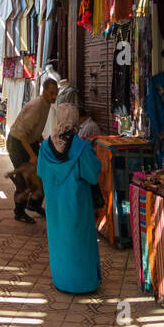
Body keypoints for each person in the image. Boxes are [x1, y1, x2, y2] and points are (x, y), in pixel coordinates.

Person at [36, 103, 102, 294]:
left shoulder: (46, 147)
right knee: (80, 243)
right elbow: (92, 174)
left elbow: (41, 172)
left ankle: (62, 281)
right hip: (78, 207)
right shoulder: (81, 147)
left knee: (59, 244)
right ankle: (83, 283)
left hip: (55, 207)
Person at [6, 79, 59, 224]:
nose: (54, 96)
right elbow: (23, 134)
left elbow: (33, 129)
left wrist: (42, 142)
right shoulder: (37, 106)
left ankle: (34, 204)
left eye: (56, 93)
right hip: (17, 142)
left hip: (29, 141)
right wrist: (32, 155)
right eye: (51, 93)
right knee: (24, 179)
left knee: (42, 172)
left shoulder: (46, 104)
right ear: (44, 91)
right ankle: (19, 212)